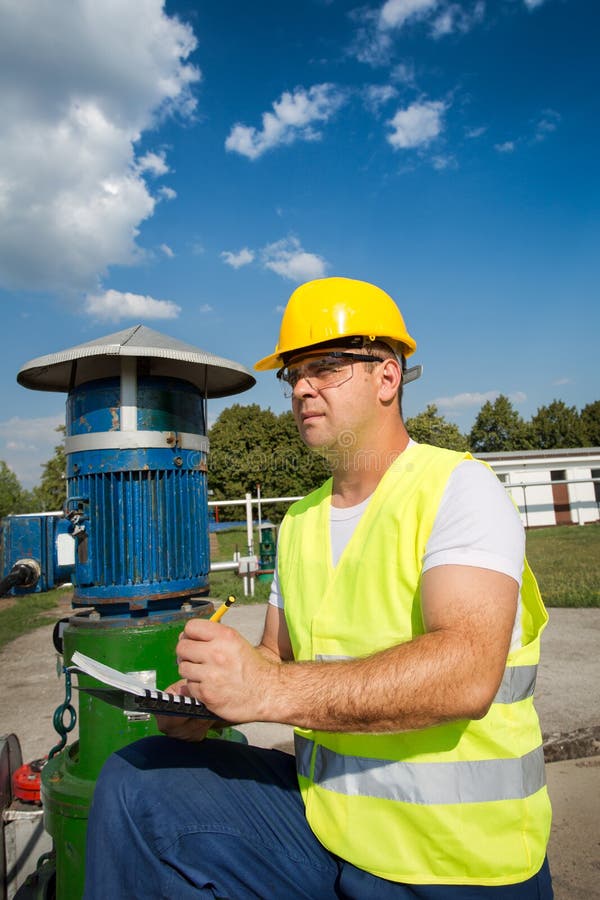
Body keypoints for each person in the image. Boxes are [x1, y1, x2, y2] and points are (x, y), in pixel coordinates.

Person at [84, 277, 553, 899]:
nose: (303, 388)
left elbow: (467, 673)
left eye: (326, 367)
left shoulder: (459, 490)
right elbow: (274, 658)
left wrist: (266, 689)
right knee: (136, 779)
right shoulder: (301, 520)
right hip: (327, 828)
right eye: (294, 374)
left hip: (455, 861)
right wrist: (212, 700)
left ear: (388, 378)